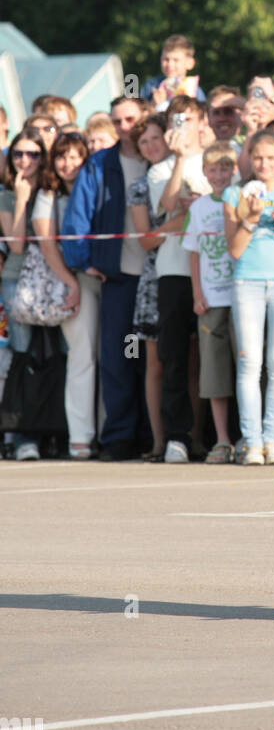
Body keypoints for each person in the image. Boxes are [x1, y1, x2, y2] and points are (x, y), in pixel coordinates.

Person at [62, 96, 151, 460]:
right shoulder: (98, 165)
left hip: (156, 278)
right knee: (117, 359)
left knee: (153, 361)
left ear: (143, 118)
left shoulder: (155, 158)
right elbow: (76, 222)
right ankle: (118, 437)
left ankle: (152, 437)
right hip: (116, 279)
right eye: (117, 121)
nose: (124, 127)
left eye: (130, 119)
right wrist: (86, 261)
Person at [223, 129, 274, 465]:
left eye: (271, 158)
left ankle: (273, 441)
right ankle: (252, 442)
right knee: (249, 363)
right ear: (249, 158)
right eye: (258, 157)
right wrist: (252, 219)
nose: (263, 164)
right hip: (247, 283)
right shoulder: (235, 193)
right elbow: (234, 249)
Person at [147, 96, 212, 463]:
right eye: (174, 121)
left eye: (186, 120)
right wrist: (181, 160)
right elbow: (169, 206)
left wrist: (203, 203)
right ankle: (176, 436)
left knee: (210, 356)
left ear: (200, 121)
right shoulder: (159, 169)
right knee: (173, 357)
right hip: (174, 270)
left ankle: (211, 436)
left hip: (215, 272)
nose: (180, 128)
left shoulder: (220, 160)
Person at [31, 132, 96, 458]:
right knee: (81, 355)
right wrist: (70, 282)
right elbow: (46, 242)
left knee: (109, 354)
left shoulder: (94, 187)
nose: (68, 163)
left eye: (75, 156)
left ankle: (107, 429)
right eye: (61, 156)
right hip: (68, 280)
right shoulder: (48, 193)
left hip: (98, 276)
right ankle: (80, 436)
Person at [182, 142, 238, 464]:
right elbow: (193, 252)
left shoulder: (241, 198)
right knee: (214, 371)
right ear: (204, 172)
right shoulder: (199, 208)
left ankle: (249, 436)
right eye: (213, 169)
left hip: (242, 295)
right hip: (212, 297)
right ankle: (221, 439)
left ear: (234, 170)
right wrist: (197, 294)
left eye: (224, 168)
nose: (219, 175)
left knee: (247, 367)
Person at [127, 114, 174, 461]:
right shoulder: (140, 186)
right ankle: (159, 441)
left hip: (193, 273)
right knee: (155, 364)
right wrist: (181, 219)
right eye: (144, 143)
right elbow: (146, 241)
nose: (151, 146)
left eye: (155, 138)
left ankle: (188, 438)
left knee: (189, 360)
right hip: (155, 279)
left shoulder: (187, 171)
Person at [0, 131, 49, 459]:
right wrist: (20, 197)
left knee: (52, 355)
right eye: (18, 154)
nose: (24, 161)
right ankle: (20, 434)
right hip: (17, 281)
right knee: (22, 355)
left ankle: (51, 429)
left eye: (33, 154)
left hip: (55, 280)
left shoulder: (51, 190)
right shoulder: (6, 194)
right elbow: (16, 244)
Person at [143, 34, 206, 109]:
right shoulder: (151, 86)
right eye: (166, 59)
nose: (170, 64)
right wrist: (153, 104)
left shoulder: (195, 91)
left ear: (190, 63)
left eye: (176, 60)